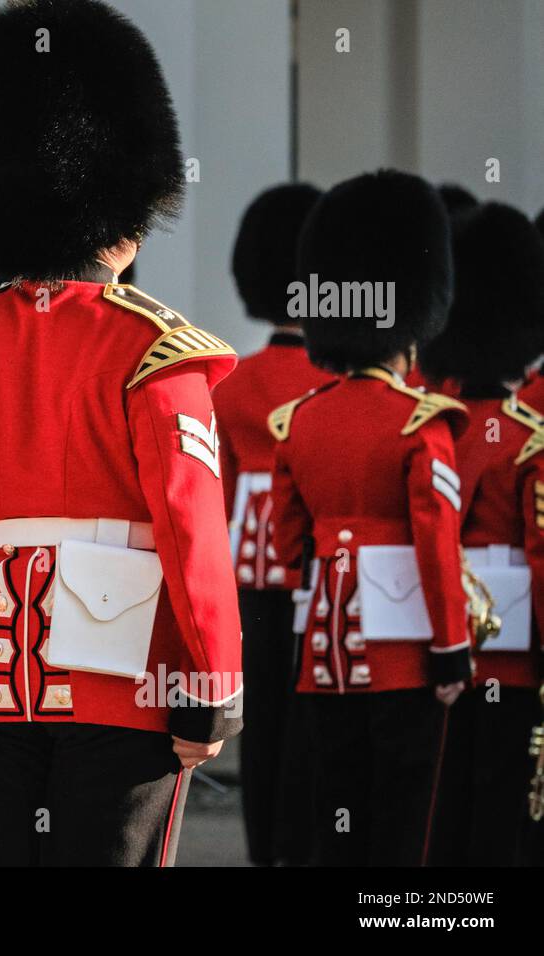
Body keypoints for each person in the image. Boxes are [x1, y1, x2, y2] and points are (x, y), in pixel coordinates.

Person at [0, 0, 243, 867]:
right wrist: (211, 688)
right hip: (125, 677)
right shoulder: (155, 347)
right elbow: (191, 532)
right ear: (130, 214)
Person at [269, 170, 471, 866]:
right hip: (405, 656)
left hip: (322, 657)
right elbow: (436, 547)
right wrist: (451, 648)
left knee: (339, 815)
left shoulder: (300, 422)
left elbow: (286, 541)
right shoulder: (421, 425)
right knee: (404, 822)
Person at [415, 202, 544, 865]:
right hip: (511, 654)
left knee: (440, 797)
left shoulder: (428, 427)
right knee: (497, 799)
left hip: (431, 639)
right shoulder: (527, 436)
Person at [212, 183, 333, 866]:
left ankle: (266, 852)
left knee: (261, 732)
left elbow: (223, 491)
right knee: (312, 726)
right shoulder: (327, 381)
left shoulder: (234, 379)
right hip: (312, 571)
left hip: (248, 575)